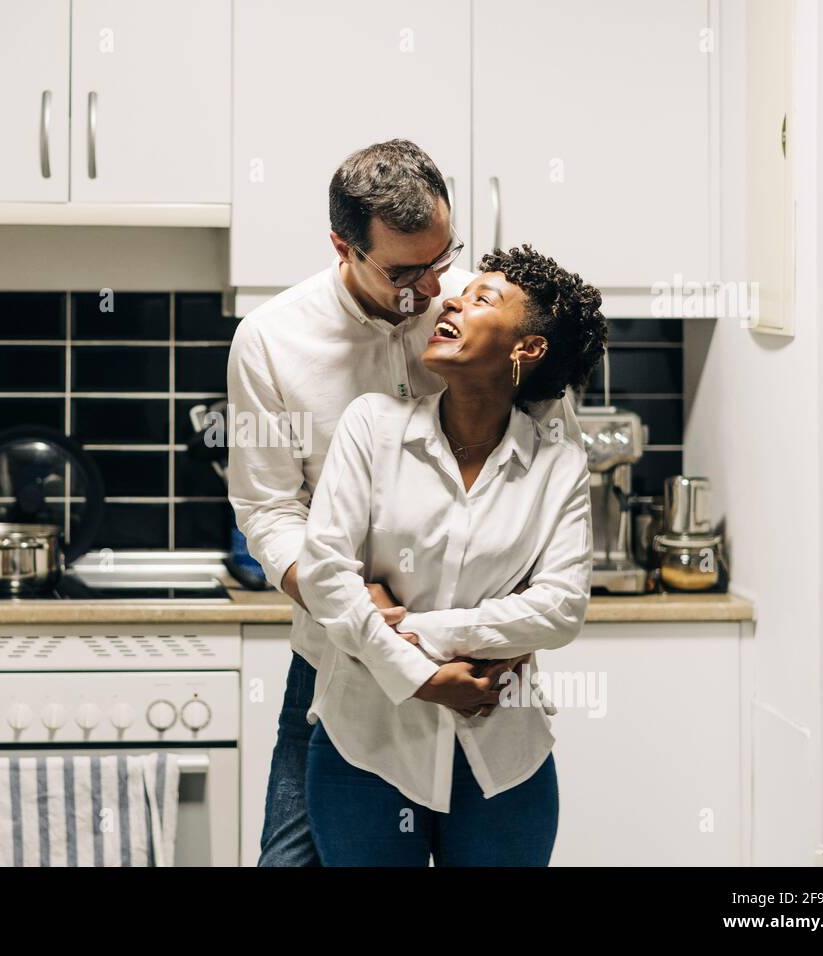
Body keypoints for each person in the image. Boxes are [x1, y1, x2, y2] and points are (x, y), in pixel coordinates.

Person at [226, 139, 582, 866]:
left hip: (485, 669)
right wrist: (351, 600)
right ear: (342, 246)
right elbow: (267, 510)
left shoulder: (472, 319)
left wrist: (448, 634)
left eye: (442, 259)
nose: (432, 290)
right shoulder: (269, 341)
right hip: (339, 661)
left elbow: (548, 455)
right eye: (404, 272)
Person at [295, 245, 607, 865]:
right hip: (366, 748)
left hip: (502, 757)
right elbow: (328, 575)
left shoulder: (557, 462)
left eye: (482, 299)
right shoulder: (372, 426)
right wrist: (423, 679)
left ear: (527, 349)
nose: (454, 301)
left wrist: (414, 629)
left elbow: (561, 609)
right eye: (461, 294)